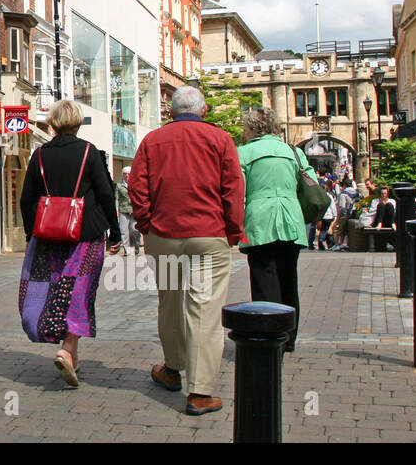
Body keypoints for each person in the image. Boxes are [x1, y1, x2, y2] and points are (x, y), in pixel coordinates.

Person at [129, 86, 245, 416]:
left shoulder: (152, 141)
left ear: (170, 113)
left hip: (164, 234)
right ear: (204, 110)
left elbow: (137, 186)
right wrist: (233, 231)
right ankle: (200, 391)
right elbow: (233, 190)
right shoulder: (221, 140)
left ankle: (172, 367)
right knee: (204, 310)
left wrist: (147, 224)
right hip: (208, 234)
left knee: (170, 303)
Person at [18, 100, 120, 389]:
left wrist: (30, 233)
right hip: (85, 234)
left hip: (48, 235)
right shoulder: (89, 153)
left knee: (55, 288)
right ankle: (67, 347)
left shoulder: (39, 155)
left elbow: (27, 199)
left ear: (53, 123)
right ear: (77, 123)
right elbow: (105, 194)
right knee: (79, 290)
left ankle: (70, 353)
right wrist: (116, 232)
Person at [237, 108, 309, 353]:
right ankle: (289, 337)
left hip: (260, 220)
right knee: (289, 279)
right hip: (292, 219)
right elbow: (311, 185)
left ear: (255, 128)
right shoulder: (293, 152)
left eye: (245, 128)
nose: (243, 133)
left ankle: (269, 334)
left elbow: (238, 191)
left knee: (264, 279)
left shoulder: (244, 153)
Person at [115, 166, 139, 256]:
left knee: (134, 230)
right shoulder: (119, 185)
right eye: (125, 174)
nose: (127, 175)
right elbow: (116, 198)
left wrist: (134, 200)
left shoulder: (137, 184)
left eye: (128, 174)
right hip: (123, 210)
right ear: (122, 175)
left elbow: (140, 196)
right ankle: (128, 251)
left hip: (134, 210)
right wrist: (116, 209)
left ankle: (136, 248)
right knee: (124, 231)